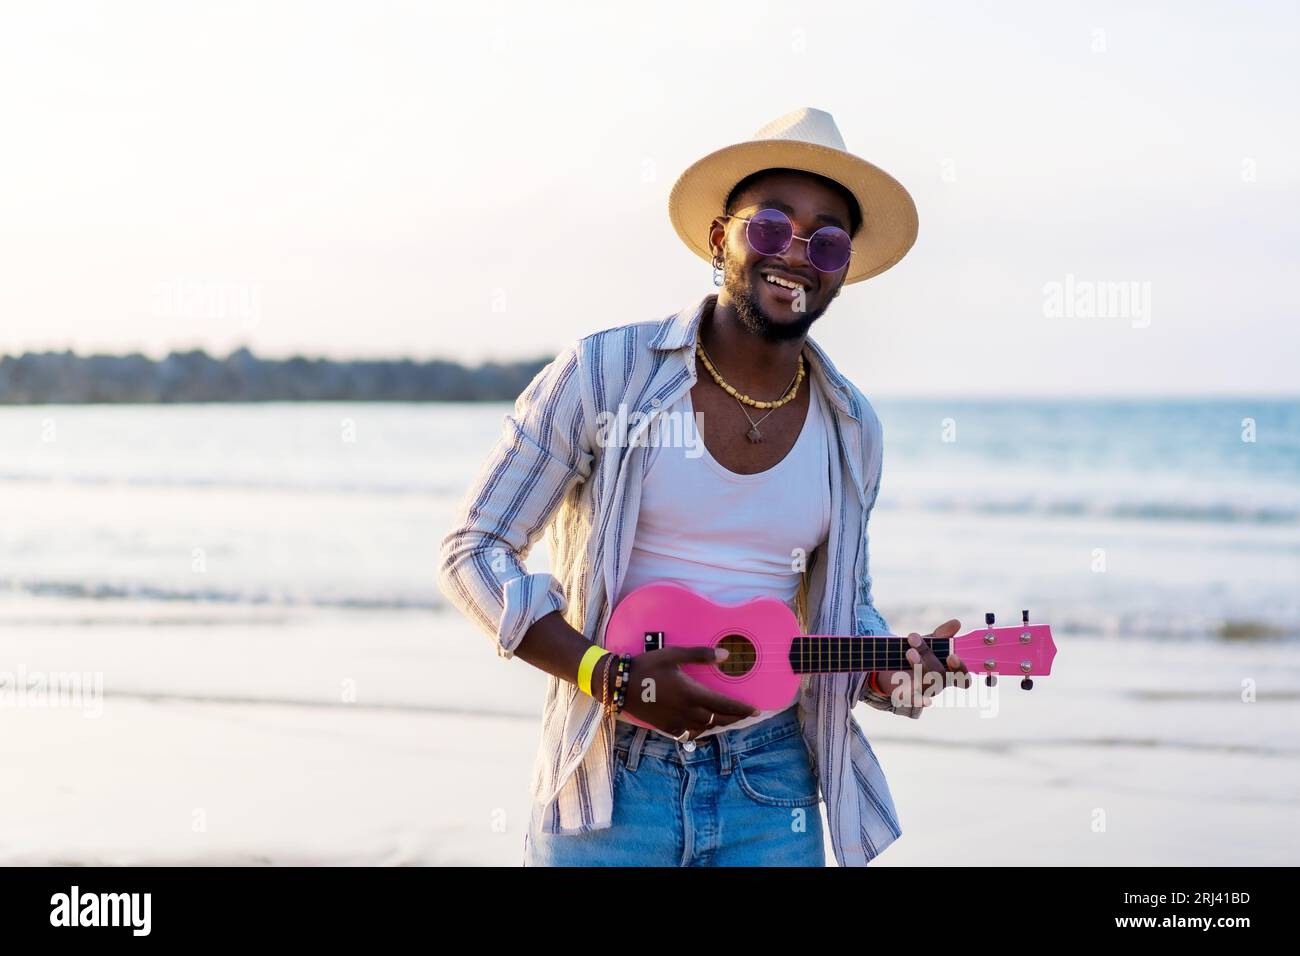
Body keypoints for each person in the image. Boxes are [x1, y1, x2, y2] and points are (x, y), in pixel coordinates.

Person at [439, 107, 970, 867]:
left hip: (775, 786)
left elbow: (840, 609)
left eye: (825, 239)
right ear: (721, 240)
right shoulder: (606, 376)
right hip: (610, 776)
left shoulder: (852, 427)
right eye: (770, 226)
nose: (796, 253)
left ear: (842, 269)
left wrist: (892, 671)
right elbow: (471, 549)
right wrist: (607, 675)